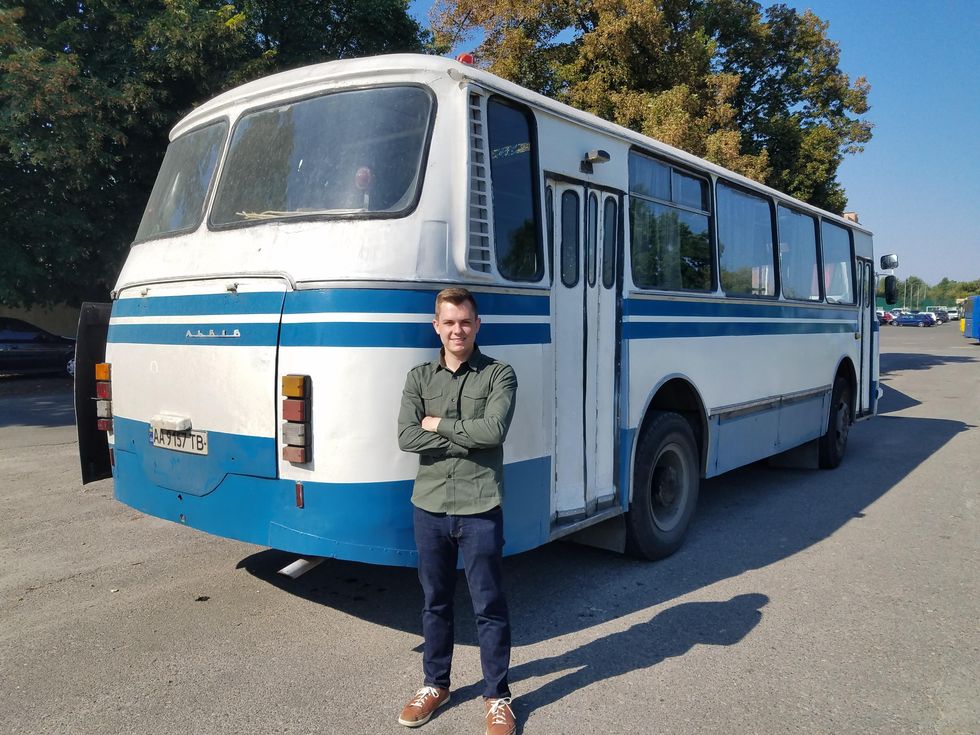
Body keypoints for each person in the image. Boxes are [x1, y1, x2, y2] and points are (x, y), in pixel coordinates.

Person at [396, 287, 518, 735]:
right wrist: (467, 433)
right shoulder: (418, 378)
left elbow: (495, 430)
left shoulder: (499, 375)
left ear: (477, 324)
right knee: (435, 602)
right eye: (448, 322)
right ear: (437, 327)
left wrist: (440, 425)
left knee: (489, 604)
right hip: (428, 507)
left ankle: (497, 696)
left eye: (465, 321)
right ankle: (435, 684)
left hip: (480, 505)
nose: (457, 330)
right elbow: (407, 437)